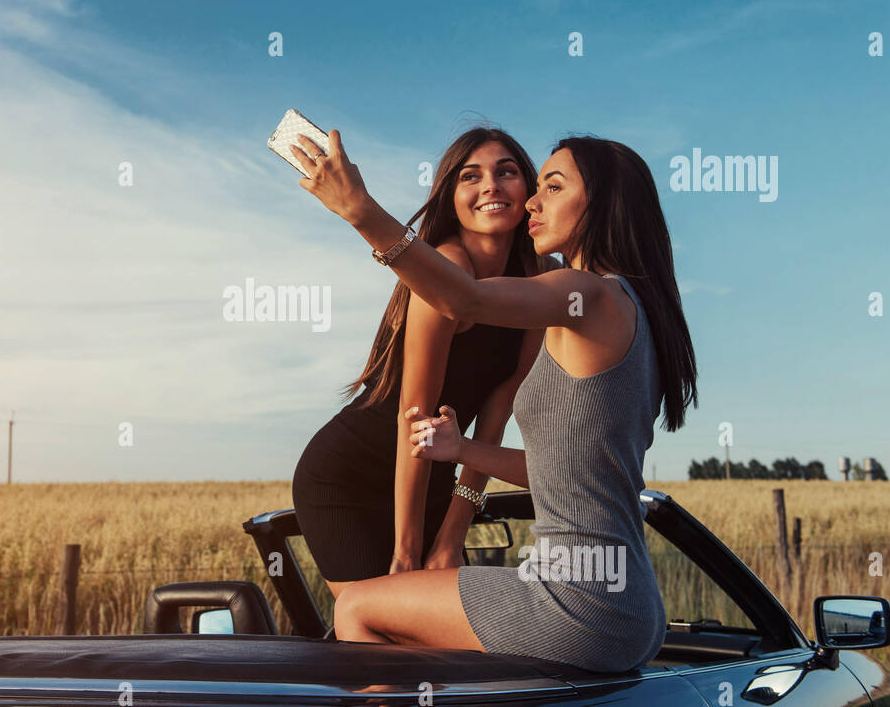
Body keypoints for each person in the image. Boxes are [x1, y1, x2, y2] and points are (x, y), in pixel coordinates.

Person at [288, 129, 698, 672]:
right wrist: (463, 450)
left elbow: (465, 298)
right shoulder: (627, 307)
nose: (531, 199)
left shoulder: (589, 295)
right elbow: (560, 471)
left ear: (602, 203)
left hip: (576, 603)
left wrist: (361, 212)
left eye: (552, 187)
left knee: (360, 607)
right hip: (632, 610)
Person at [292, 127, 557, 600]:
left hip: (435, 472)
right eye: (470, 177)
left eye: (507, 172)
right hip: (348, 476)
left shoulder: (538, 278)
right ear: (451, 199)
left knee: (437, 642)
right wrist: (406, 551)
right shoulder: (446, 268)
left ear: (528, 192)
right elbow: (413, 415)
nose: (491, 186)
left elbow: (496, 413)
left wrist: (454, 535)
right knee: (382, 632)